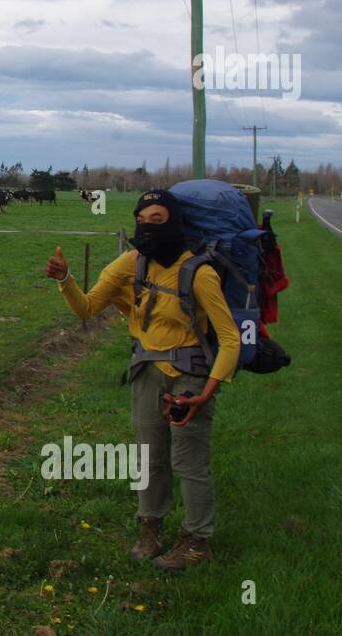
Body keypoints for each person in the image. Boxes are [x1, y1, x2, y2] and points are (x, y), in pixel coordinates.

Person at [44, 190, 241, 571]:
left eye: (157, 219)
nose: (147, 227)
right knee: (149, 458)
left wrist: (206, 393)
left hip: (190, 376)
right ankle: (150, 530)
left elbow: (230, 339)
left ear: (175, 223)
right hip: (146, 372)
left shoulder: (197, 272)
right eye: (142, 219)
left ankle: (198, 542)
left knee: (189, 462)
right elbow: (87, 307)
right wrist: (66, 279)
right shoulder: (129, 264)